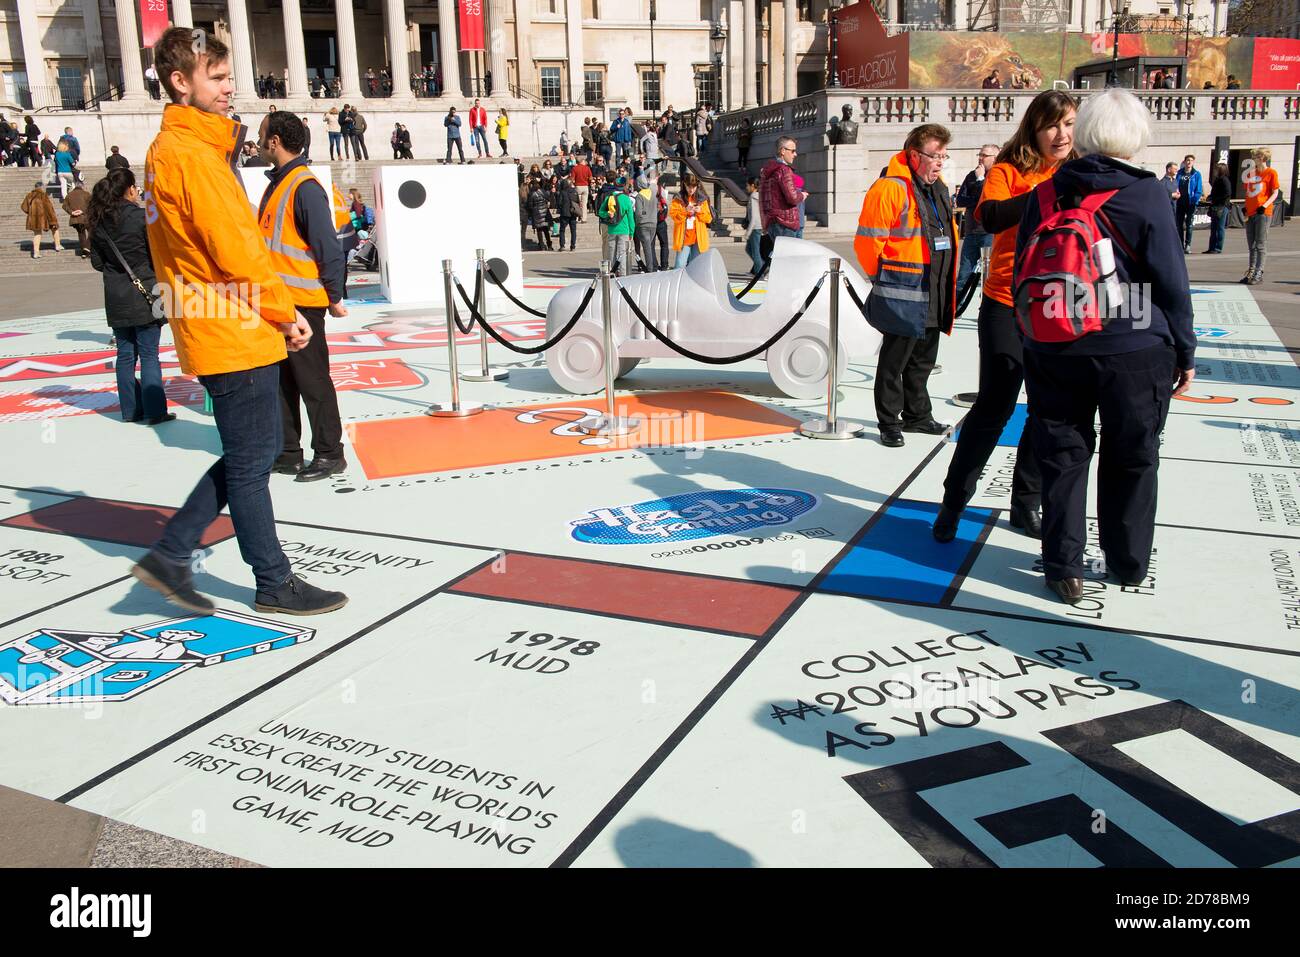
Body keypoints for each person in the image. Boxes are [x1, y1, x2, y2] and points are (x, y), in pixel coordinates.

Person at [131, 27, 346, 617]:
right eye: (218, 78)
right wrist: (284, 315)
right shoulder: (193, 156)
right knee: (253, 462)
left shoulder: (169, 150)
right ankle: (267, 580)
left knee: (253, 452)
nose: (231, 89)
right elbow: (236, 251)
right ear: (180, 82)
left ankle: (173, 555)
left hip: (212, 320)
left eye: (229, 76)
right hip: (233, 325)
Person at [1016, 88, 1195, 605]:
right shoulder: (1146, 194)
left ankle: (1063, 566)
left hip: (1054, 341)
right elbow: (1171, 280)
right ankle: (1127, 560)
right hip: (1134, 344)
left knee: (1064, 453)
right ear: (1136, 138)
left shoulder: (1046, 193)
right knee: (1132, 455)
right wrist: (1185, 349)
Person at [932, 91, 1076, 540]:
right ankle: (954, 500)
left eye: (1070, 124)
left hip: (1058, 307)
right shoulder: (1009, 171)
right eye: (1053, 125)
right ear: (1034, 127)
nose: (1063, 135)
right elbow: (988, 216)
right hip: (1007, 302)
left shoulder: (1079, 169)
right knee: (994, 406)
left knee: (1047, 408)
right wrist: (1047, 191)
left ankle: (1025, 503)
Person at [256, 111, 350, 483]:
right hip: (278, 302)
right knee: (282, 382)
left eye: (263, 134)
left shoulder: (303, 186)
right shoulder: (279, 184)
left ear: (275, 141)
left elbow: (327, 246)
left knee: (312, 382)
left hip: (302, 304)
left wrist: (334, 295)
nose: (259, 141)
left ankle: (330, 453)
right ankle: (289, 451)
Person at [854, 123, 958, 450]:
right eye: (934, 155)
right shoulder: (889, 189)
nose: (940, 162)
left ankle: (918, 415)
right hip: (904, 290)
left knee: (923, 360)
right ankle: (889, 422)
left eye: (943, 155)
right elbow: (867, 244)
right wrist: (885, 279)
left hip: (934, 289)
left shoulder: (937, 187)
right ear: (914, 156)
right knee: (894, 362)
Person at [87, 167, 174, 426]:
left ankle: (129, 410)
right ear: (128, 189)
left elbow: (96, 262)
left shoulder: (98, 221)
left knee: (125, 355)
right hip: (146, 291)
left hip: (116, 295)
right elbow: (156, 253)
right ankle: (155, 410)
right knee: (149, 354)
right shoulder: (140, 218)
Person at [955, 144, 998, 293]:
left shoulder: (997, 175)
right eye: (979, 154)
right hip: (972, 232)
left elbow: (988, 199)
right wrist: (977, 199)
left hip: (989, 232)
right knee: (964, 274)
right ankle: (956, 310)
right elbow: (960, 200)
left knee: (989, 275)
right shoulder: (971, 175)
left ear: (995, 158)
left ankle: (985, 310)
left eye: (984, 155)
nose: (980, 158)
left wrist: (980, 180)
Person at [1243, 148, 1280, 285]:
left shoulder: (1271, 173)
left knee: (1260, 244)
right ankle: (1251, 270)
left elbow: (1275, 192)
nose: (1255, 158)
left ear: (1264, 158)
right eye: (1254, 156)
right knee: (1251, 244)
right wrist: (1246, 206)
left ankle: (1259, 271)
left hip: (1263, 212)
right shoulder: (1251, 173)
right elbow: (1249, 191)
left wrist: (1264, 205)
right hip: (1251, 211)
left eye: (1257, 156)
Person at [760, 136, 806, 244]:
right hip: (786, 224)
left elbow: (762, 200)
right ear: (783, 151)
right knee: (790, 258)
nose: (795, 154)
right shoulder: (783, 170)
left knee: (779, 257)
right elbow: (793, 198)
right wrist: (802, 195)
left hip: (773, 222)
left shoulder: (769, 170)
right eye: (793, 151)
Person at [668, 172, 712, 269]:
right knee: (680, 265)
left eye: (694, 187)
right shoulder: (678, 198)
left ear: (697, 186)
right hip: (684, 238)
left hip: (698, 238)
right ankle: (679, 284)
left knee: (696, 267)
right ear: (684, 184)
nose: (691, 189)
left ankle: (692, 284)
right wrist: (685, 211)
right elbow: (674, 216)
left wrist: (700, 211)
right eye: (689, 186)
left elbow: (708, 218)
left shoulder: (702, 199)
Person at [21, 180, 61, 257]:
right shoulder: (43, 195)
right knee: (55, 228)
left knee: (37, 234)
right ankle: (58, 245)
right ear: (42, 187)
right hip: (43, 218)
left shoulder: (29, 195)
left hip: (33, 219)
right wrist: (53, 219)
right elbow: (49, 208)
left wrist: (31, 213)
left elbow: (23, 207)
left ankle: (36, 252)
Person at [1174, 154, 1202, 254]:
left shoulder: (1196, 174)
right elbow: (1175, 185)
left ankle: (1188, 244)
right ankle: (1180, 244)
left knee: (1189, 224)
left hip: (1190, 203)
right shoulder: (1179, 173)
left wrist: (1194, 200)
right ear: (1184, 162)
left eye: (1191, 160)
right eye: (1187, 160)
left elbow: (1198, 190)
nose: (1189, 162)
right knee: (1179, 224)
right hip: (1180, 202)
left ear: (1193, 162)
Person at [1204, 161, 1231, 254]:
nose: (1215, 171)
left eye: (1216, 169)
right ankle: (1211, 247)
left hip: (1222, 206)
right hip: (1216, 205)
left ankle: (1218, 248)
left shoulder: (1224, 180)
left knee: (1219, 228)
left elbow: (1227, 193)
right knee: (1214, 228)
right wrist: (1210, 197)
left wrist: (1215, 198)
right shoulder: (1217, 180)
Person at [62, 182, 92, 257]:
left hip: (75, 219)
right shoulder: (86, 194)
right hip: (86, 218)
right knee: (92, 232)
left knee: (81, 234)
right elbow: (91, 205)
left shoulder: (69, 195)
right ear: (82, 186)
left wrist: (72, 212)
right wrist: (82, 211)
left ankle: (84, 251)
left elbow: (64, 206)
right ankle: (87, 248)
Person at [743, 176, 764, 276]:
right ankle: (761, 267)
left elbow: (754, 217)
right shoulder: (757, 196)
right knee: (749, 249)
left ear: (752, 186)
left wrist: (748, 232)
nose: (746, 187)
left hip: (755, 228)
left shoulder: (753, 197)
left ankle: (760, 272)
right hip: (757, 227)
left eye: (747, 185)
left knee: (755, 252)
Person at [526, 177, 553, 250]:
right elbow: (548, 198)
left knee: (539, 231)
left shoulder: (531, 194)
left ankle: (542, 246)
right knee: (546, 230)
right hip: (545, 213)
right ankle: (549, 245)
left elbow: (530, 205)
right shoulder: (543, 191)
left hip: (536, 214)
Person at [557, 174, 580, 252]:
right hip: (573, 213)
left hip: (565, 213)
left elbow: (559, 203)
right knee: (573, 231)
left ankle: (562, 245)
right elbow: (577, 202)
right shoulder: (574, 191)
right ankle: (573, 246)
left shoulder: (563, 192)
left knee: (562, 230)